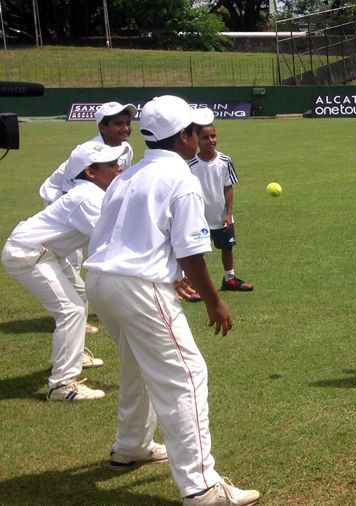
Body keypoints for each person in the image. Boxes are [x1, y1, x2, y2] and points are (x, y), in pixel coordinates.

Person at [84, 95, 259, 506]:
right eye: (196, 132)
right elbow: (191, 254)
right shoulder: (182, 179)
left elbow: (125, 234)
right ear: (184, 137)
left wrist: (169, 273)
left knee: (137, 364)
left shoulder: (129, 174)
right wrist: (215, 300)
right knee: (187, 374)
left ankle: (131, 446)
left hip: (101, 280)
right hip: (139, 286)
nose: (199, 138)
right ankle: (201, 487)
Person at [2, 141, 126, 401]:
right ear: (90, 172)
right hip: (27, 253)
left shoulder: (91, 193)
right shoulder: (88, 198)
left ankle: (73, 352)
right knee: (71, 310)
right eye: (112, 165)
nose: (119, 169)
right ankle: (62, 385)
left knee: (79, 297)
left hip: (47, 252)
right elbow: (110, 242)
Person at [38, 101, 138, 335]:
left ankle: (80, 312)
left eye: (127, 123)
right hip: (63, 204)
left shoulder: (126, 148)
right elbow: (70, 193)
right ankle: (70, 318)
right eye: (117, 124)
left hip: (92, 200)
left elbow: (117, 183)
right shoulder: (84, 152)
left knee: (98, 251)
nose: (125, 129)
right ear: (102, 127)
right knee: (72, 260)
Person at [188, 120, 254, 292]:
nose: (211, 140)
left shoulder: (224, 160)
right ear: (196, 140)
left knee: (227, 247)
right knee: (197, 253)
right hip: (200, 218)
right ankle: (195, 286)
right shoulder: (190, 165)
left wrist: (228, 214)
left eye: (213, 136)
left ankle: (229, 280)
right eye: (205, 138)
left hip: (221, 215)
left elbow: (228, 188)